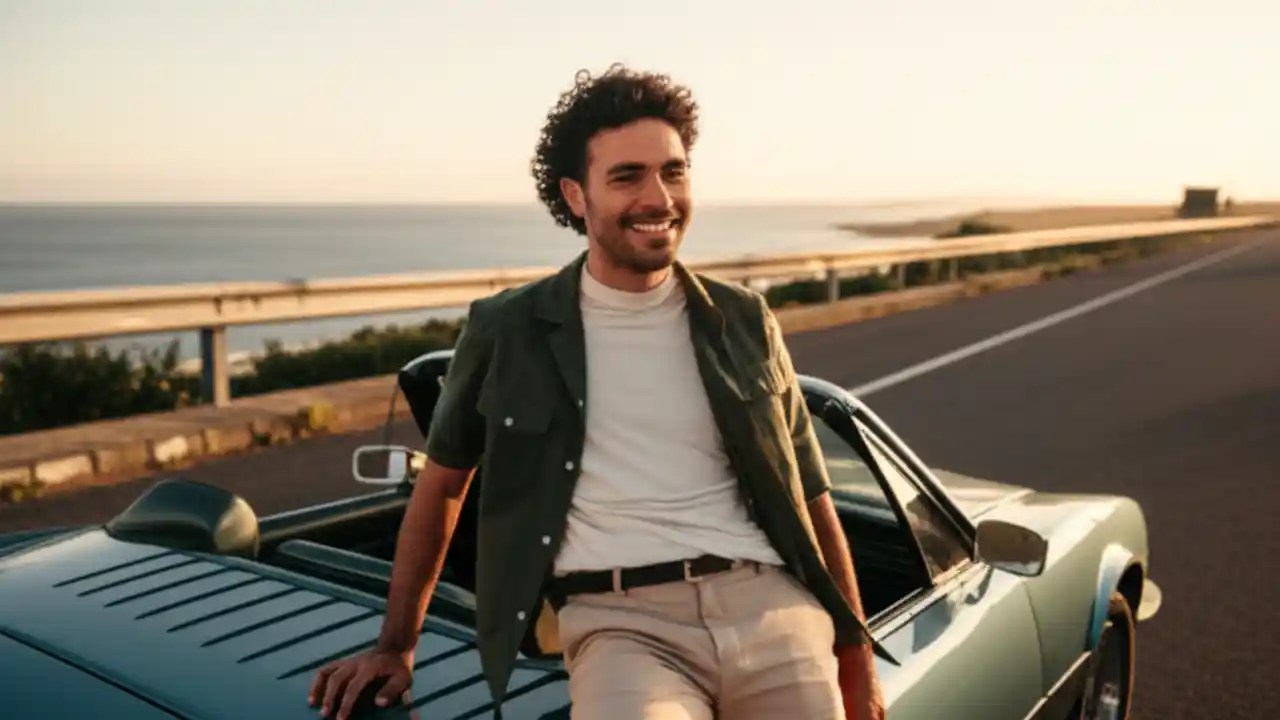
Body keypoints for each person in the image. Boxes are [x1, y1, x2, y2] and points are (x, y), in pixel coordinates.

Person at [309, 63, 886, 720]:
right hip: (622, 628)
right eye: (626, 176)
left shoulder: (746, 321)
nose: (658, 197)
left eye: (673, 171)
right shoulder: (507, 329)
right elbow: (441, 487)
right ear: (576, 196)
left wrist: (856, 661)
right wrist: (395, 646)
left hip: (769, 606)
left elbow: (812, 498)